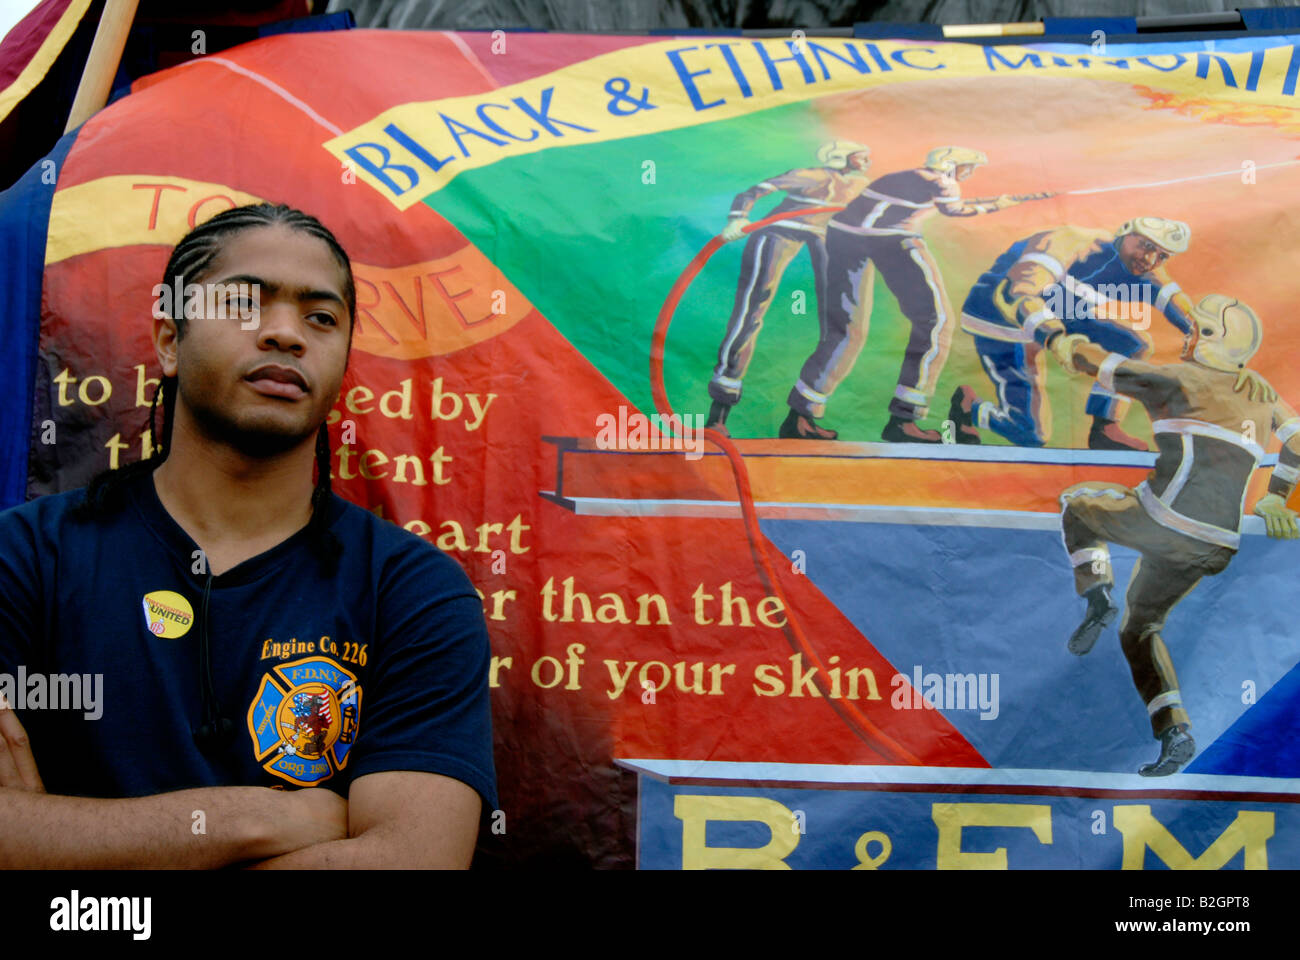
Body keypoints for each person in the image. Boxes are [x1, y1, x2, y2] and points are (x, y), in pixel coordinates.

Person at [0, 203, 496, 868]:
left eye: (321, 318)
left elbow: (414, 860)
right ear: (171, 340)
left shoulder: (412, 591)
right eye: (244, 304)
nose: (287, 334)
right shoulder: (25, 558)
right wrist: (255, 820)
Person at [1049, 293, 1298, 776]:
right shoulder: (1263, 391)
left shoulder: (1181, 380)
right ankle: (1174, 732)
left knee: (1078, 507)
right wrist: (1274, 497)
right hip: (1217, 544)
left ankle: (1098, 593)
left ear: (1212, 337)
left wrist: (1067, 341)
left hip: (1163, 520)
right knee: (1141, 628)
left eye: (1198, 328)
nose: (1188, 336)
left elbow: (1100, 366)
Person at [784, 146, 1052, 442]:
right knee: (936, 323)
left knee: (845, 330)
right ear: (950, 165)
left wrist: (999, 201)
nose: (969, 173)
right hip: (893, 241)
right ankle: (904, 420)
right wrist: (1000, 204)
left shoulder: (904, 176)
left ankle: (800, 415)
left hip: (844, 238)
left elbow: (941, 203)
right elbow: (954, 209)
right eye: (966, 167)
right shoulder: (943, 181)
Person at [949, 216, 1195, 450]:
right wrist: (1057, 339)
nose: (1151, 259)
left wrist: (1203, 338)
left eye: (1162, 255)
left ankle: (1105, 428)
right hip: (1002, 317)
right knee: (1031, 433)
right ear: (1125, 231)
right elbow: (1017, 294)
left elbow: (1182, 309)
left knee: (1134, 344)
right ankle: (970, 407)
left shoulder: (1142, 268)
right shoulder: (1072, 242)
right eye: (1146, 245)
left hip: (1063, 312)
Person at [705, 140, 872, 437]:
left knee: (841, 320)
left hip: (828, 238)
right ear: (841, 156)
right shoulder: (812, 175)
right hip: (781, 232)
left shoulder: (862, 184)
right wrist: (738, 218)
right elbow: (755, 190)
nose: (867, 159)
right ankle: (718, 414)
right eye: (861, 155)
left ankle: (802, 418)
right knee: (752, 312)